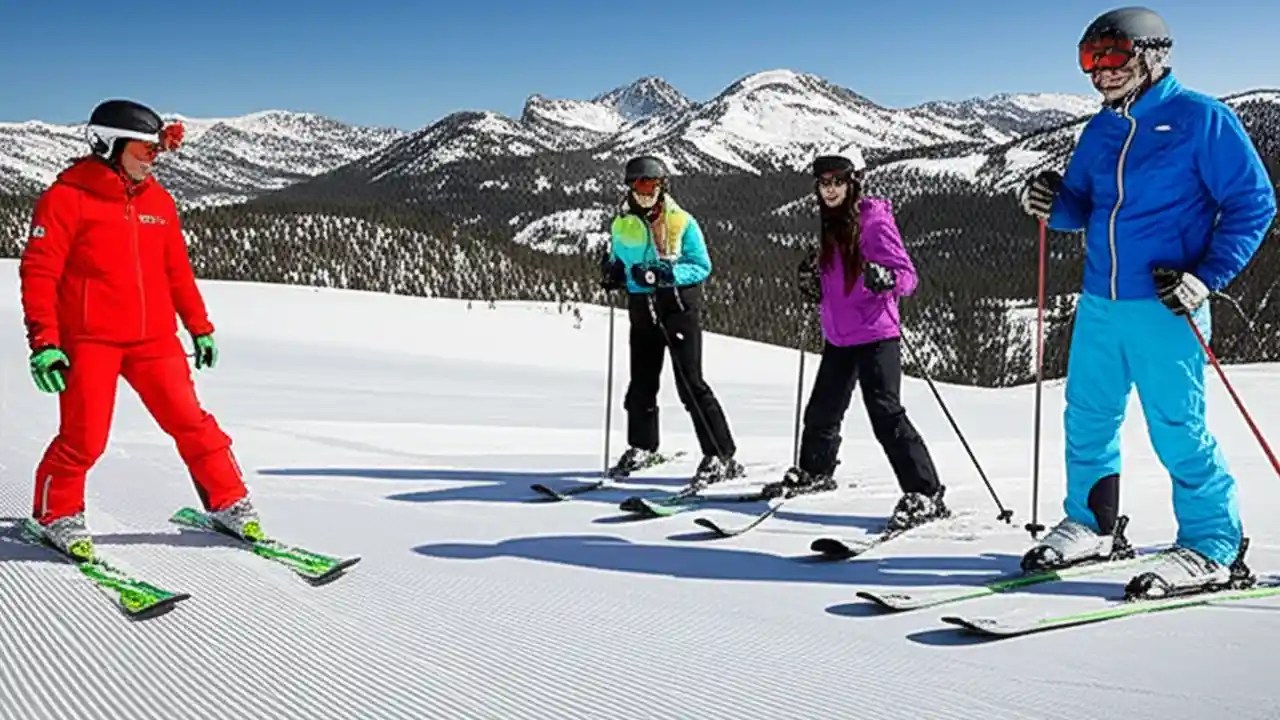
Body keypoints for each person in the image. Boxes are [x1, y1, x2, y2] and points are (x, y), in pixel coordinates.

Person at [1017, 7, 1276, 598]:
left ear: (1153, 54)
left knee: (1177, 426)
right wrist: (1050, 202)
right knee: (1087, 418)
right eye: (1090, 60)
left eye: (1111, 56)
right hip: (1100, 301)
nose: (1100, 73)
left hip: (1166, 304)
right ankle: (1092, 524)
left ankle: (1212, 543)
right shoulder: (1101, 130)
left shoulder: (1201, 119)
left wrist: (1205, 277)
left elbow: (1253, 204)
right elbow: (1080, 205)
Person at [19, 98, 265, 562]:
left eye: (158, 150)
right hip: (89, 339)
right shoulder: (66, 198)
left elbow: (176, 271)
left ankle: (229, 501)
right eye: (146, 149)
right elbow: (39, 272)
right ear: (110, 145)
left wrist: (199, 326)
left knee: (192, 423)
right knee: (84, 438)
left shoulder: (158, 201)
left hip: (153, 339)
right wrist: (45, 343)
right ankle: (57, 514)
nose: (155, 159)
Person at [778, 151, 949, 532]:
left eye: (838, 181)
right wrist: (814, 284)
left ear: (853, 182)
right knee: (822, 410)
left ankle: (926, 493)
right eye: (824, 183)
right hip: (839, 336)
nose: (831, 189)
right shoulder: (830, 222)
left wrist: (887, 278)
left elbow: (907, 276)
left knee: (886, 415)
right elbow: (837, 280)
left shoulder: (873, 220)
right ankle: (815, 471)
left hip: (876, 334)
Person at [598, 155, 743, 486]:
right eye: (637, 183)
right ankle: (643, 446)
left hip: (677, 308)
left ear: (663, 186)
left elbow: (702, 265)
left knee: (690, 385)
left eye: (650, 183)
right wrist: (612, 272)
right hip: (641, 309)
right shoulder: (621, 224)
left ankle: (721, 456)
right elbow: (617, 259)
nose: (643, 190)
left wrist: (669, 273)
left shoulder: (681, 222)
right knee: (641, 384)